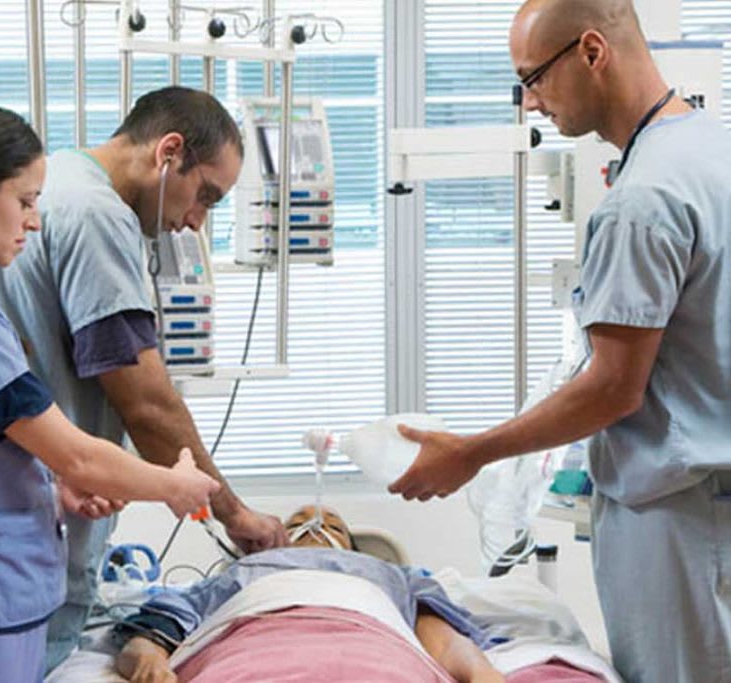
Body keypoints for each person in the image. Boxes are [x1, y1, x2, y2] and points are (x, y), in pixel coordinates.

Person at [388, 2, 731, 681]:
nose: (531, 102)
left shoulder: (641, 202)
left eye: (535, 78)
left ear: (593, 52)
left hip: (676, 524)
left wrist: (472, 451)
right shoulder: (711, 151)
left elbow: (612, 386)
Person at [0, 98, 220, 683]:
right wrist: (174, 486)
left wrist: (52, 493)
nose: (34, 220)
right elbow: (73, 451)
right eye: (24, 201)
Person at [0, 86, 288, 670]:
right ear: (169, 153)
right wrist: (234, 514)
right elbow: (146, 405)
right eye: (205, 197)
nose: (195, 222)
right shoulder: (97, 216)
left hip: (20, 519)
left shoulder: (60, 181)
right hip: (36, 533)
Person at [110, 506, 610, 683]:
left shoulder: (382, 573)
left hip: (367, 640)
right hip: (254, 641)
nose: (314, 526)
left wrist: (479, 672)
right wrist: (148, 662)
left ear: (348, 545)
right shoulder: (241, 573)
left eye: (330, 523)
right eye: (300, 521)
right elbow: (155, 631)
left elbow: (436, 632)